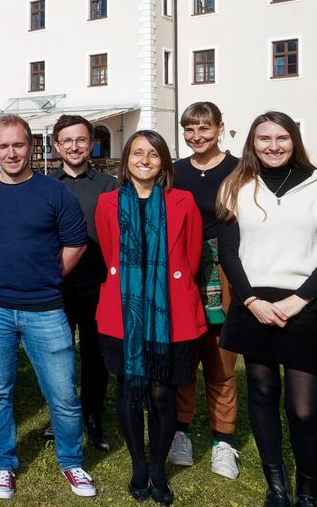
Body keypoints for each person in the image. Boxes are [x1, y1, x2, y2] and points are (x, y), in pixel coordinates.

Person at [0, 115, 98, 499]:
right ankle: (2, 463)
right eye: (3, 146)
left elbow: (76, 243)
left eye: (18, 145)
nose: (11, 153)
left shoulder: (55, 194)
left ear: (31, 146)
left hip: (46, 308)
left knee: (63, 394)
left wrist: (50, 276)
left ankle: (71, 461)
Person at [216, 112, 317, 507]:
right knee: (261, 392)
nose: (273, 146)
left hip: (304, 304)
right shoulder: (235, 186)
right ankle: (277, 486)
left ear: (294, 141)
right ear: (252, 144)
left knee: (304, 408)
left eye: (282, 138)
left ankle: (307, 492)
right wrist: (252, 301)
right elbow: (228, 253)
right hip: (253, 304)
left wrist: (297, 300)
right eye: (264, 139)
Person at [95, 130, 206, 505]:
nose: (145, 159)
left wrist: (160, 291)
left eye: (154, 154)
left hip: (169, 313)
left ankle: (158, 469)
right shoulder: (107, 203)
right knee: (128, 389)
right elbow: (110, 255)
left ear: (163, 163)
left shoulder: (183, 201)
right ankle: (138, 465)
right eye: (137, 152)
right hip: (122, 313)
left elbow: (190, 259)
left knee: (162, 394)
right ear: (126, 159)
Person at [167, 102, 242, 479]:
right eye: (190, 130)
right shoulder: (176, 171)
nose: (197, 137)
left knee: (220, 358)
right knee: (184, 355)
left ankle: (223, 440)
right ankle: (180, 432)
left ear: (220, 128)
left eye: (205, 129)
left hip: (225, 273)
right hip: (182, 270)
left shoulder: (240, 170)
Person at [47, 114, 118, 451]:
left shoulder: (110, 185)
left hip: (98, 283)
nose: (74, 146)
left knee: (95, 352)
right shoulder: (44, 184)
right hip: (56, 285)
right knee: (56, 353)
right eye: (67, 141)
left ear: (91, 144)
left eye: (81, 140)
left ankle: (92, 413)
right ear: (57, 145)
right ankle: (60, 414)